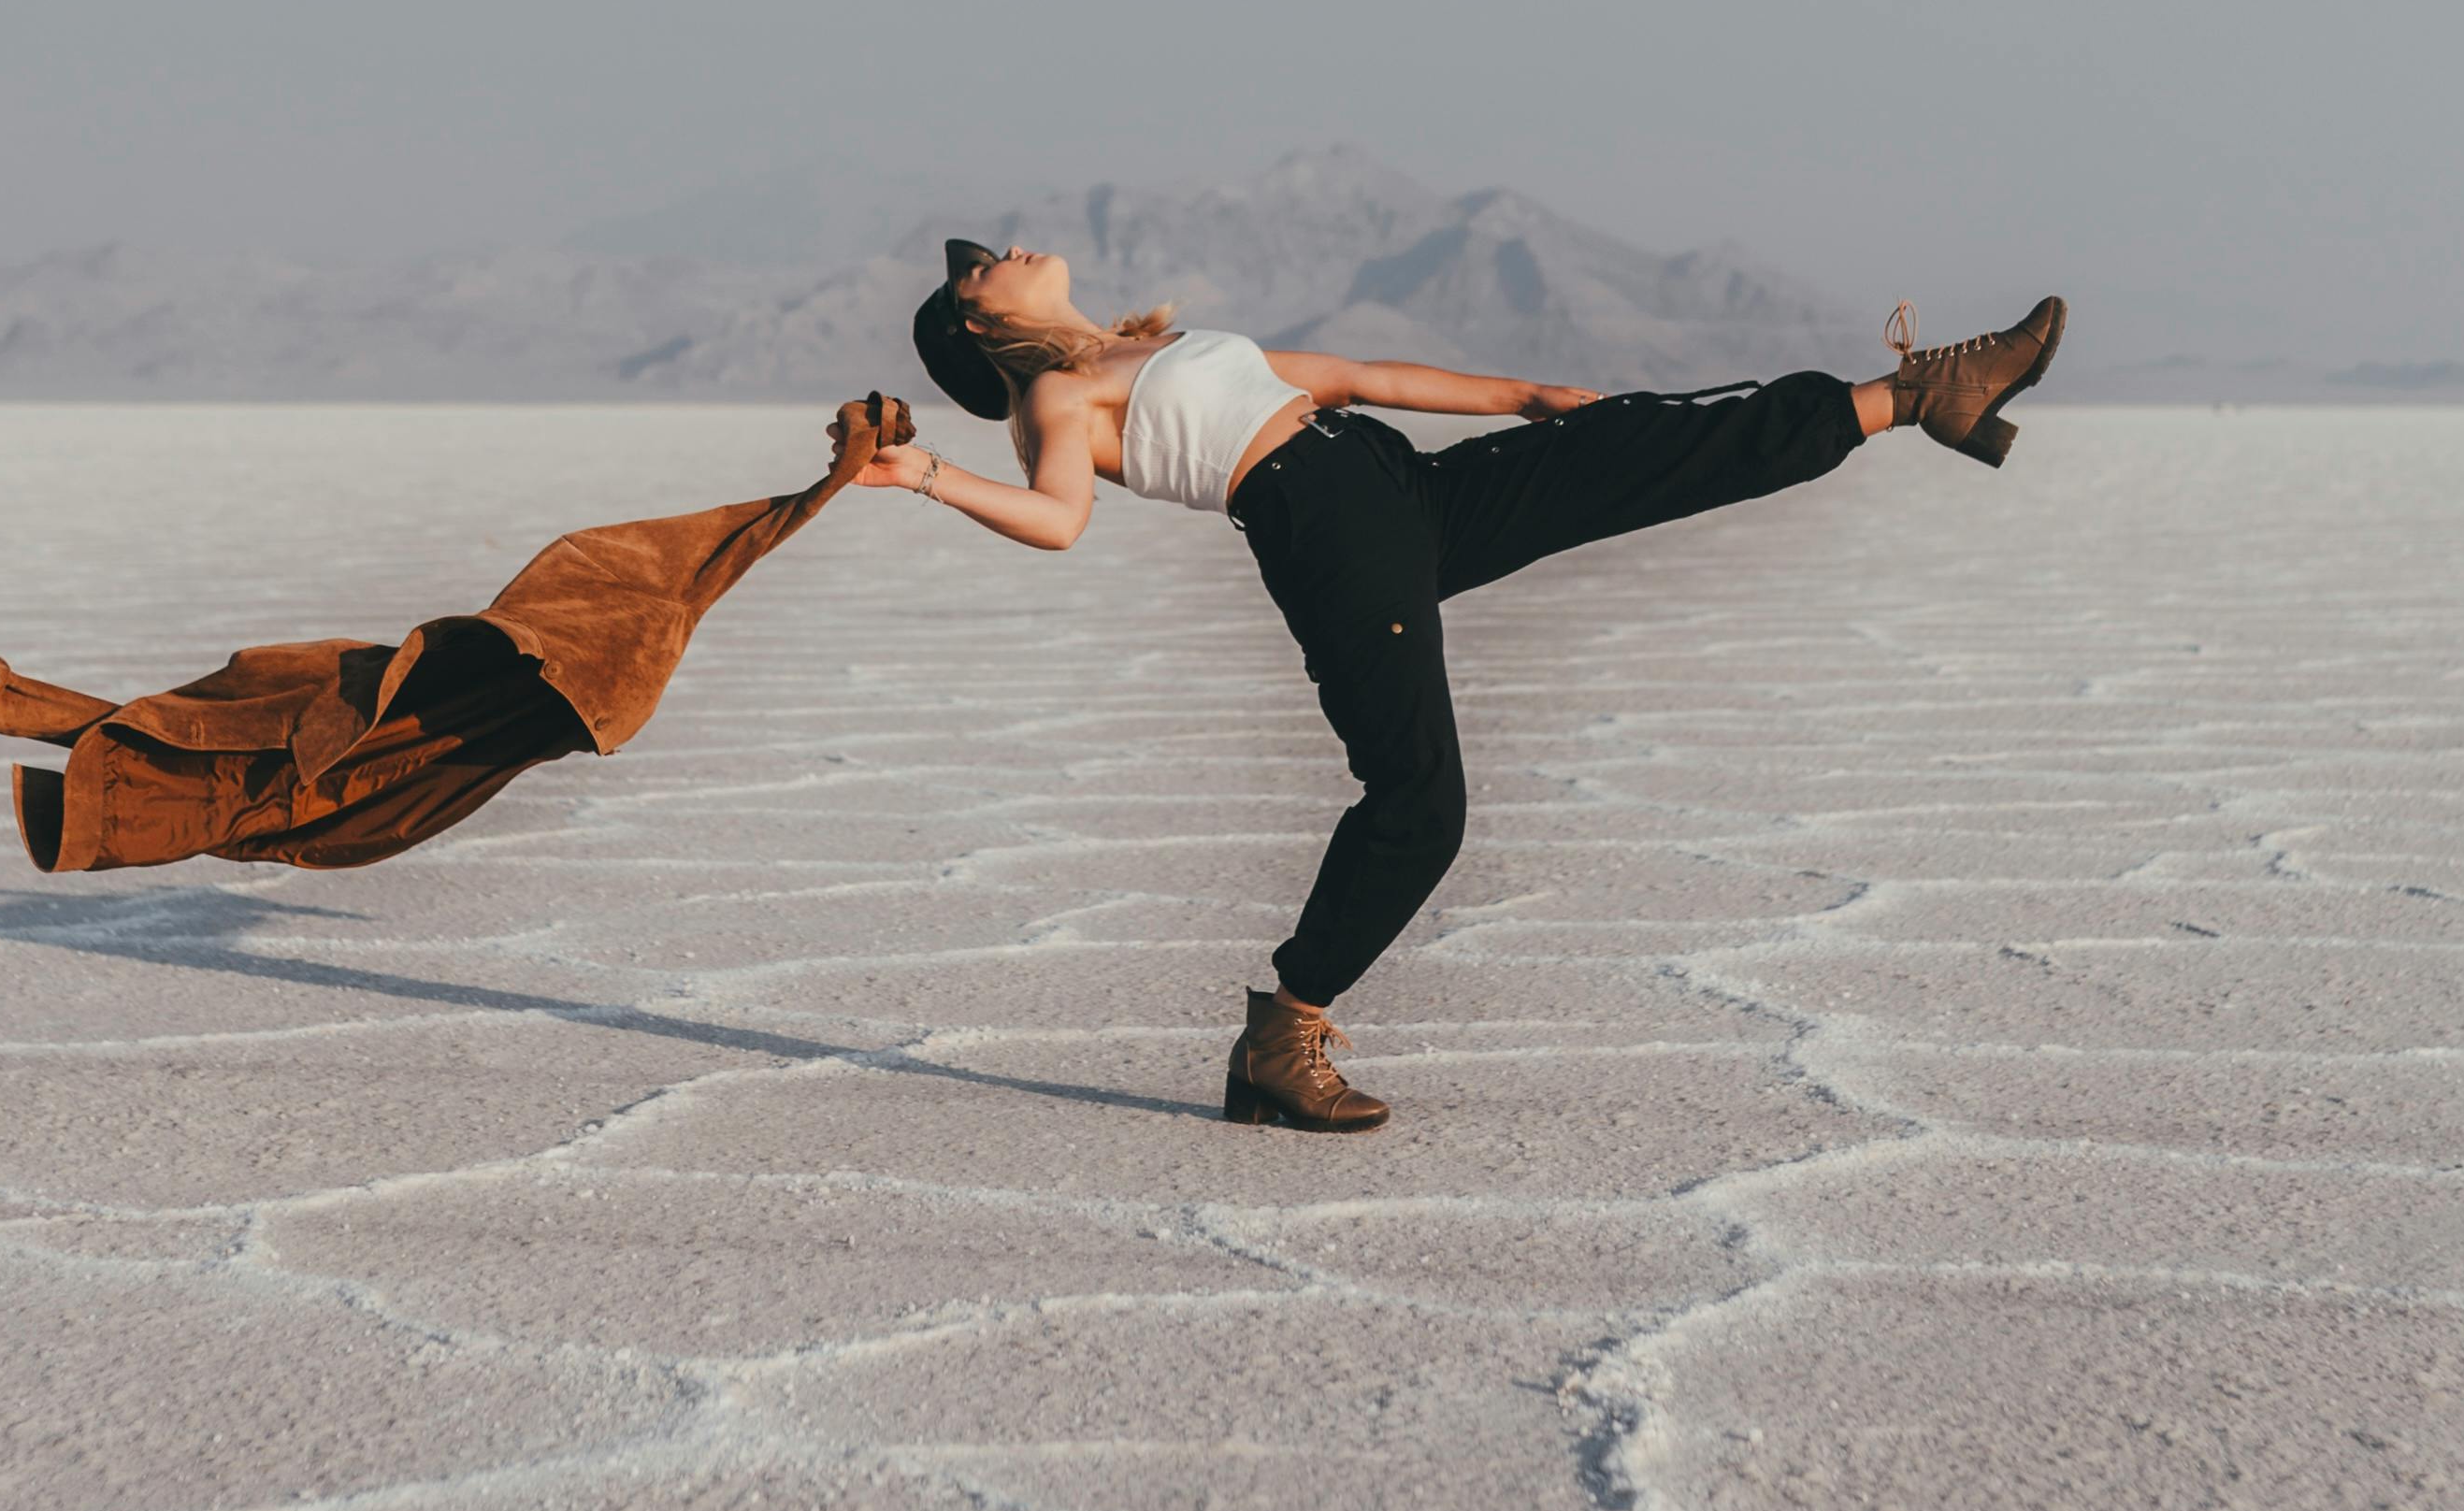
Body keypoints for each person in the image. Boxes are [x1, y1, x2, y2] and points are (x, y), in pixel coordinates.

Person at [855, 237, 2065, 1132]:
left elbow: (1352, 373)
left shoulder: (1159, 346)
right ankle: (1285, 1032)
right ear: (980, 330)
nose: (991, 250)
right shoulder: (1059, 397)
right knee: (1419, 803)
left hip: (1395, 485)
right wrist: (924, 477)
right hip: (1327, 536)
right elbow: (1060, 520)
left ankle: (1921, 395)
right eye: (972, 271)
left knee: (1641, 443)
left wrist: (1525, 398)